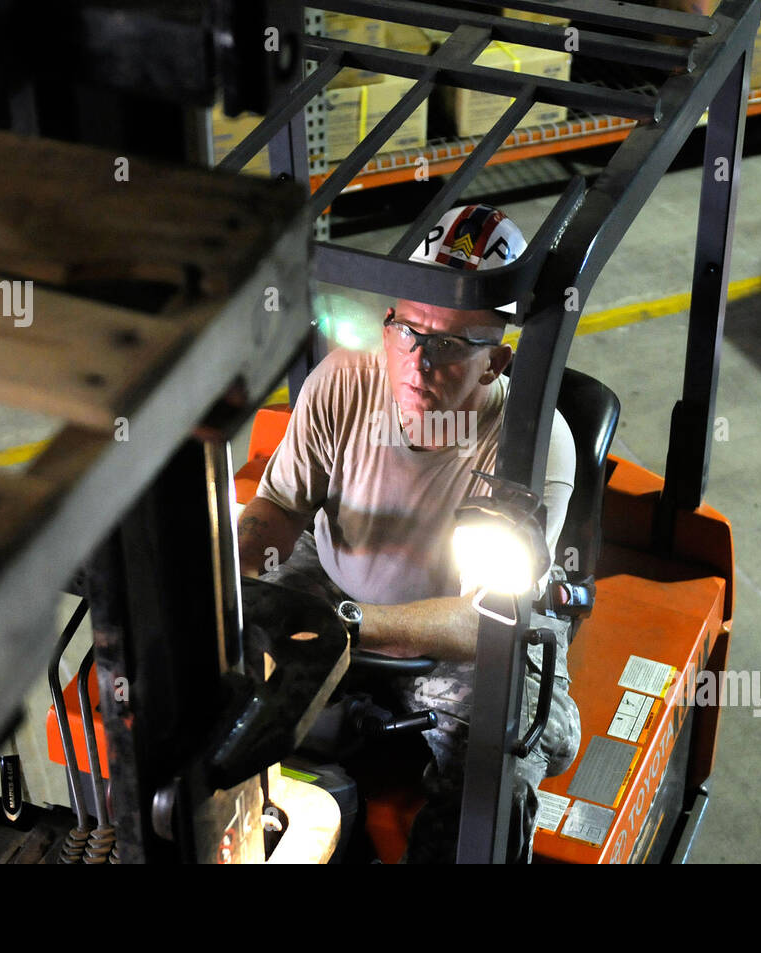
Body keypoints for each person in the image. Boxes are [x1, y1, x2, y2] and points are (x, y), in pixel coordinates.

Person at [236, 204, 580, 862]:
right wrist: (234, 566)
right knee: (222, 675)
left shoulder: (534, 447)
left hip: (459, 626)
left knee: (510, 738)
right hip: (333, 579)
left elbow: (486, 619)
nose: (417, 362)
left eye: (448, 344)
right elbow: (280, 504)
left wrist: (346, 623)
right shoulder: (343, 381)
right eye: (406, 330)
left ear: (497, 361)